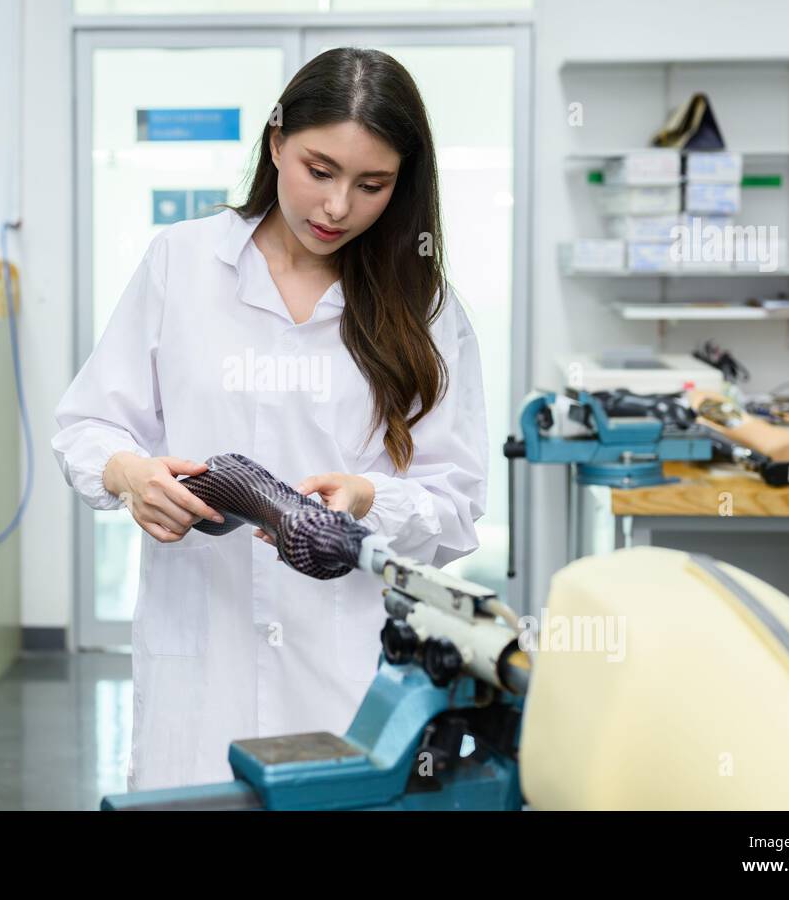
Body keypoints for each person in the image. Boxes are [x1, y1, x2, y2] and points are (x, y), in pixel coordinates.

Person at [52, 47, 489, 792]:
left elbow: (456, 506)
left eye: (372, 184)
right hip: (200, 650)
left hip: (345, 667)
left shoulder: (427, 309)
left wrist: (368, 500)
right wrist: (131, 476)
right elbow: (87, 425)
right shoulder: (181, 264)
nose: (338, 207)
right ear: (277, 140)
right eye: (320, 170)